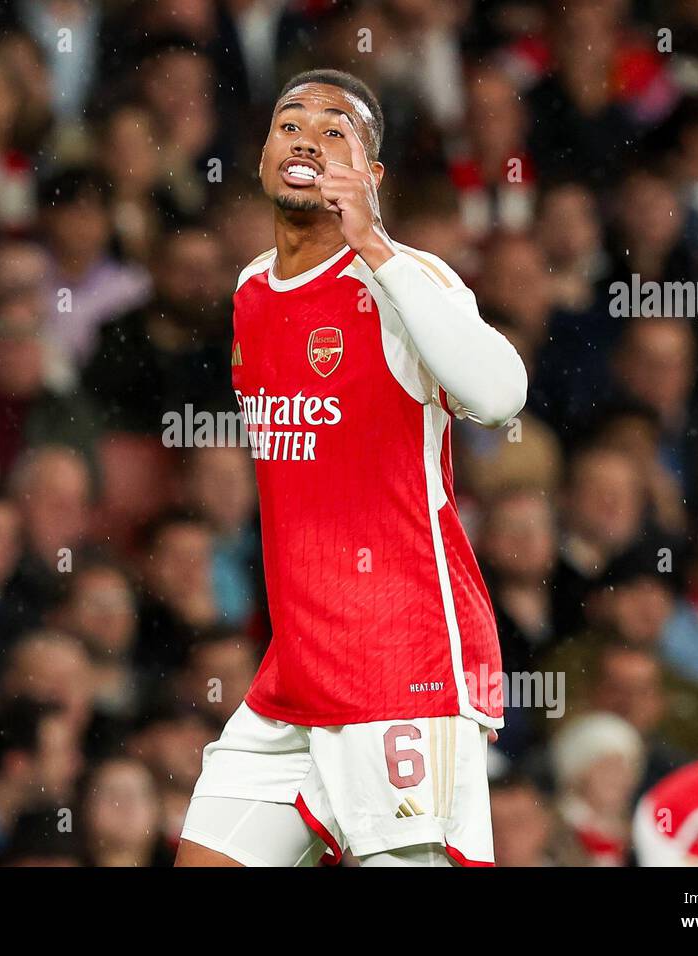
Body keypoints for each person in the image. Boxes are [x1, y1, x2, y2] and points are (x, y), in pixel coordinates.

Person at [177, 69, 527, 869]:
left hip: (402, 669)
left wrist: (374, 241)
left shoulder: (406, 279)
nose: (306, 135)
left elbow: (504, 394)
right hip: (293, 681)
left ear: (369, 178)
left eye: (336, 131)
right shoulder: (250, 291)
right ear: (265, 155)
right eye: (289, 122)